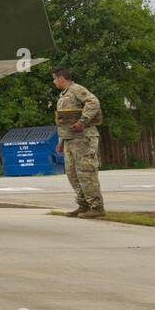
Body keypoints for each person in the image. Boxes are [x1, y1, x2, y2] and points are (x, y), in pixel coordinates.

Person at [52, 67, 106, 218]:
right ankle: (83, 205)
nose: (54, 81)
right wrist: (61, 141)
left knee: (86, 172)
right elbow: (64, 120)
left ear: (62, 78)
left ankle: (97, 207)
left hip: (83, 138)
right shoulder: (64, 95)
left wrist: (83, 121)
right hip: (70, 140)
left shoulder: (76, 89)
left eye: (55, 78)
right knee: (73, 174)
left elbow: (93, 102)